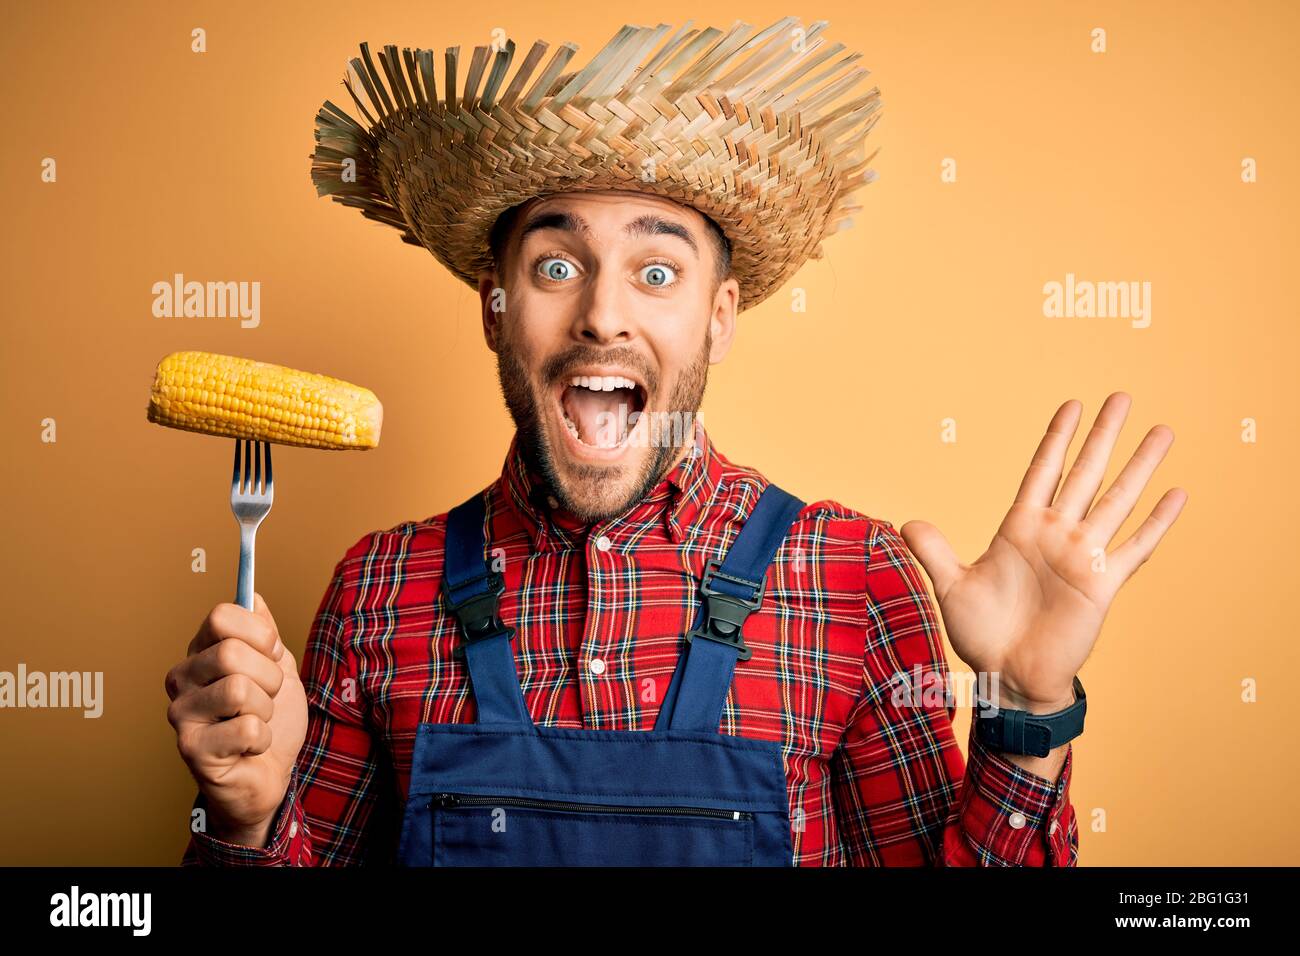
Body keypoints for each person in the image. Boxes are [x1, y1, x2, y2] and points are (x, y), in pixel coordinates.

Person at [166, 18, 1185, 866]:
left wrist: (1026, 710)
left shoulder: (853, 580)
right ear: (495, 306)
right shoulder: (379, 587)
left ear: (720, 315)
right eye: (556, 265)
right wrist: (245, 821)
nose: (603, 316)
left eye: (657, 272)